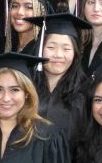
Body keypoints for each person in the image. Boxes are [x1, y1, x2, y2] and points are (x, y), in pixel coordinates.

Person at [30, 13, 91, 144]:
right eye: (51, 47)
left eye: (66, 49)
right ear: (40, 48)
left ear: (75, 53)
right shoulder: (26, 88)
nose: (58, 55)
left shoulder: (84, 93)